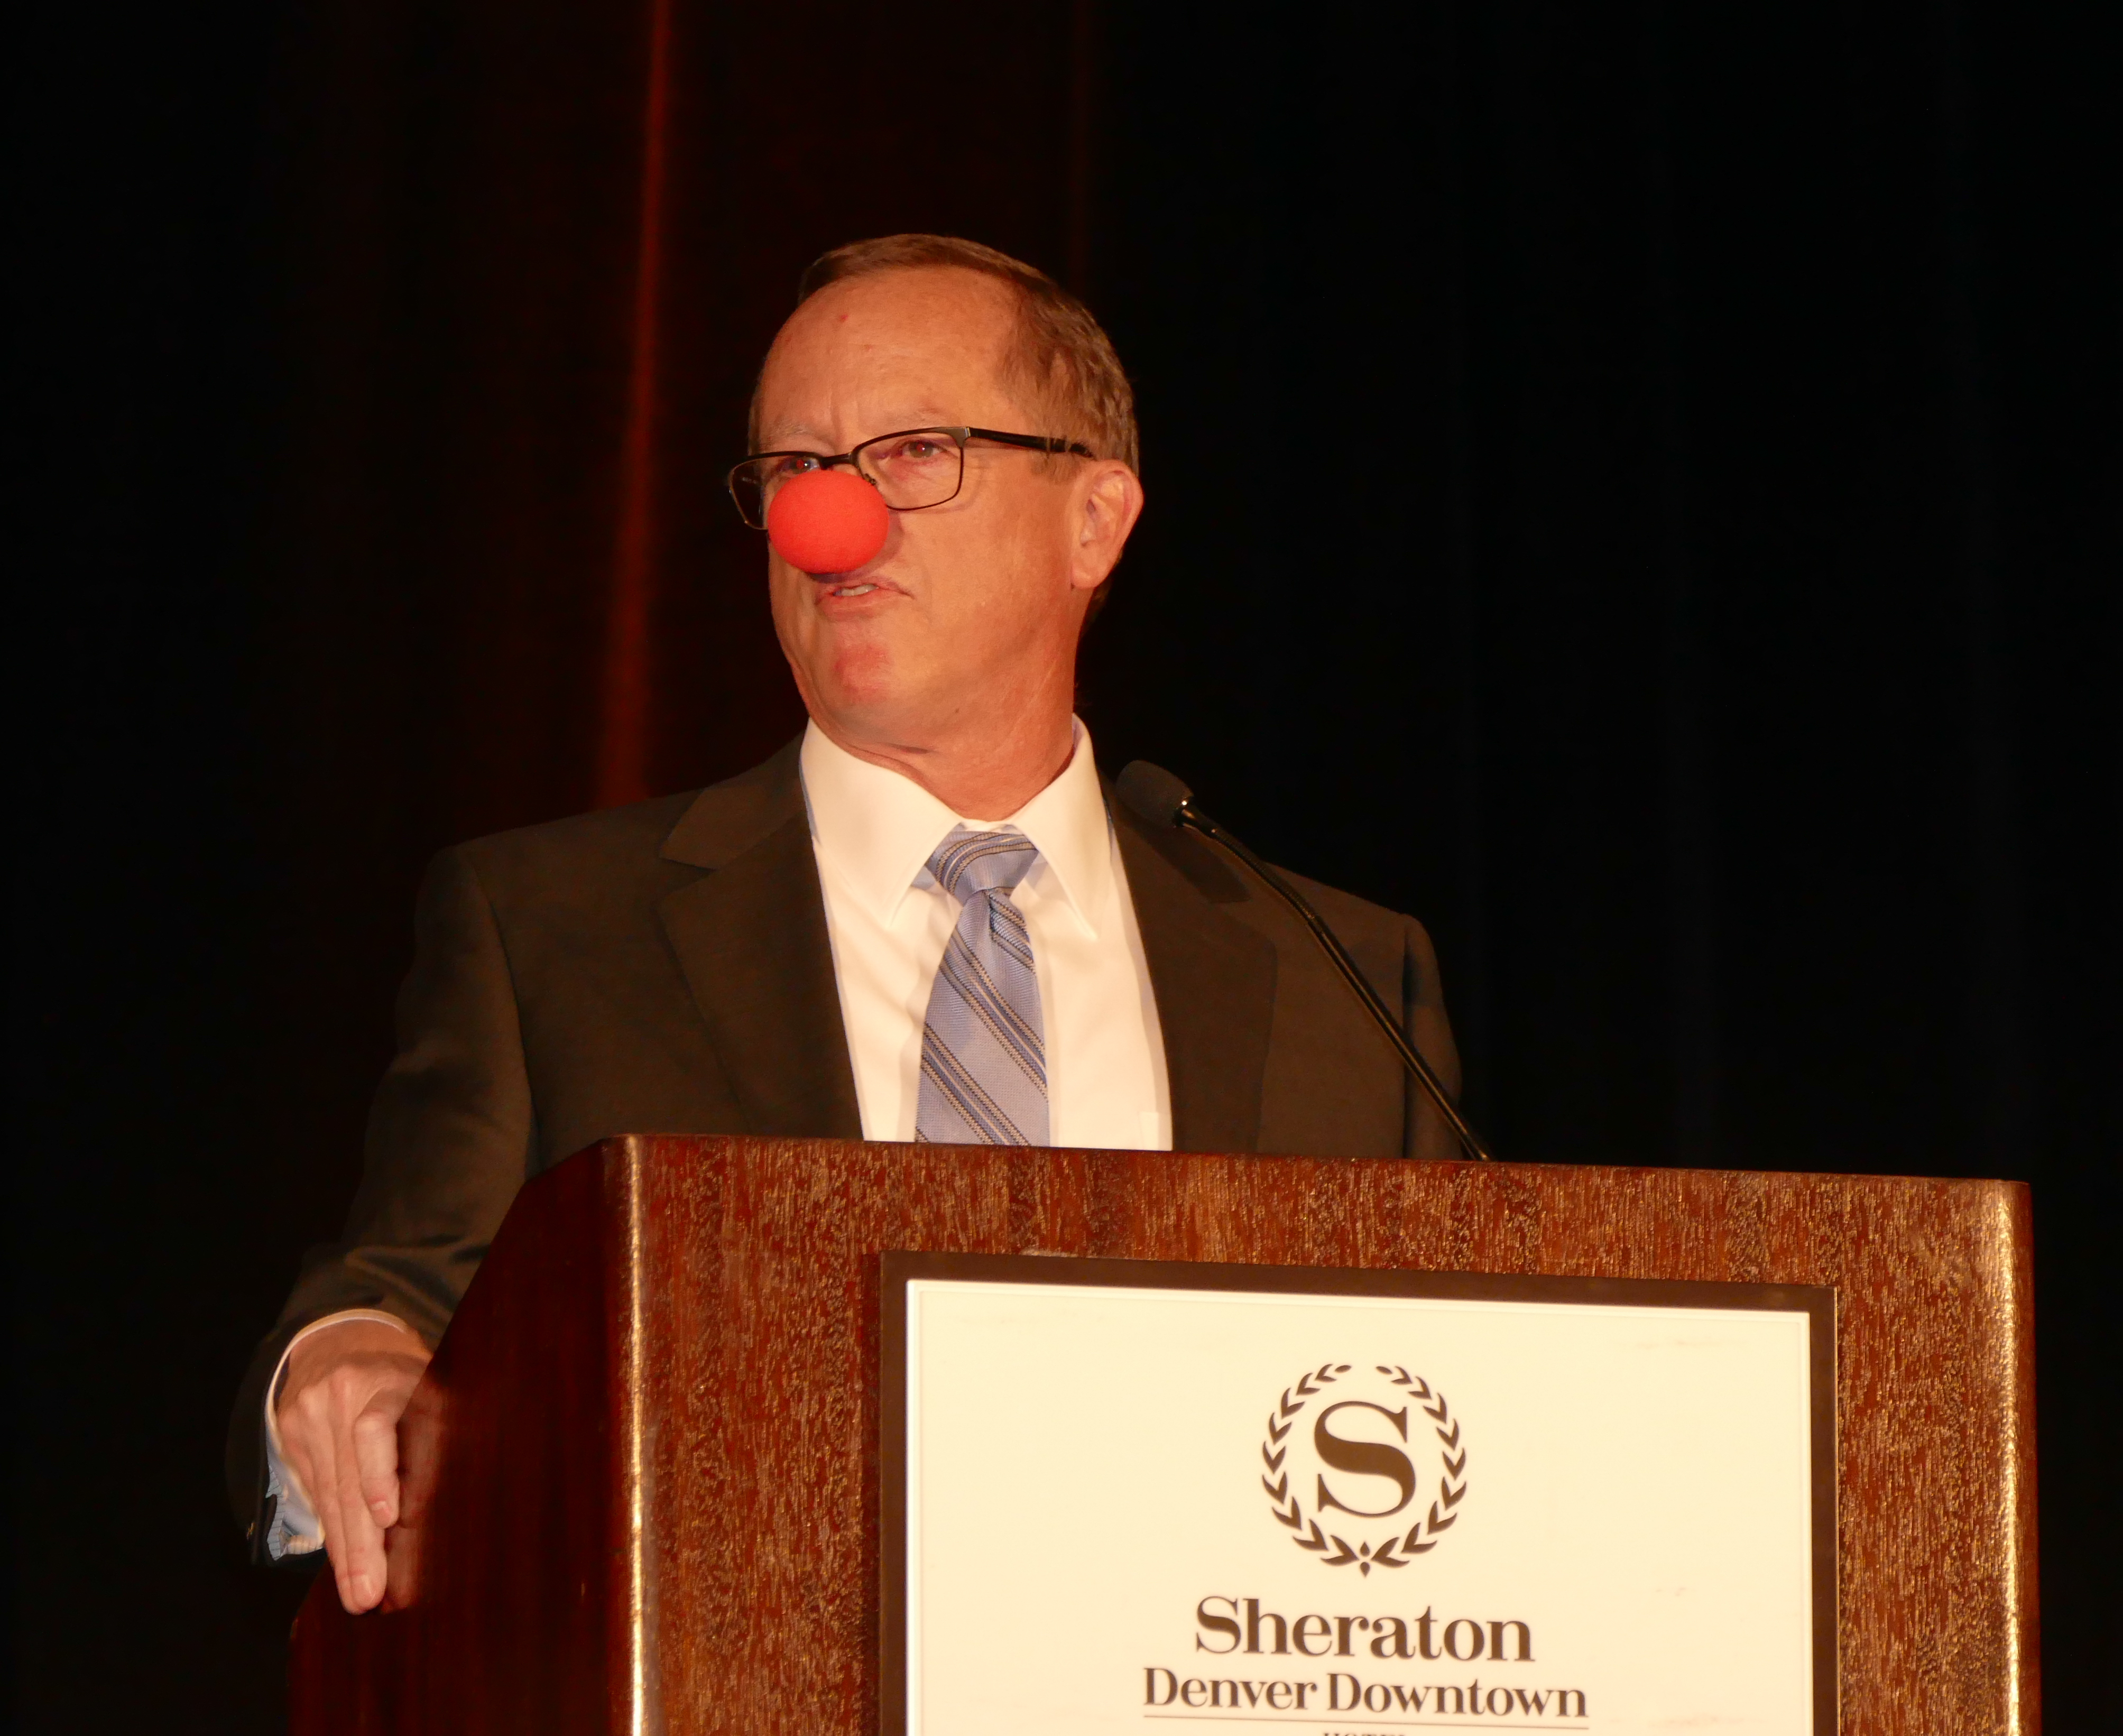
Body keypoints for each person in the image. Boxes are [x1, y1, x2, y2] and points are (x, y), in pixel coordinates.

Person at [233, 234, 1462, 1615]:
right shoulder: (553, 927)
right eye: (796, 471)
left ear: (1095, 520)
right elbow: (397, 1297)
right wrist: (343, 1359)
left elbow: (1449, 1408)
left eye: (913, 453)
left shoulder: (1338, 972)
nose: (837, 522)